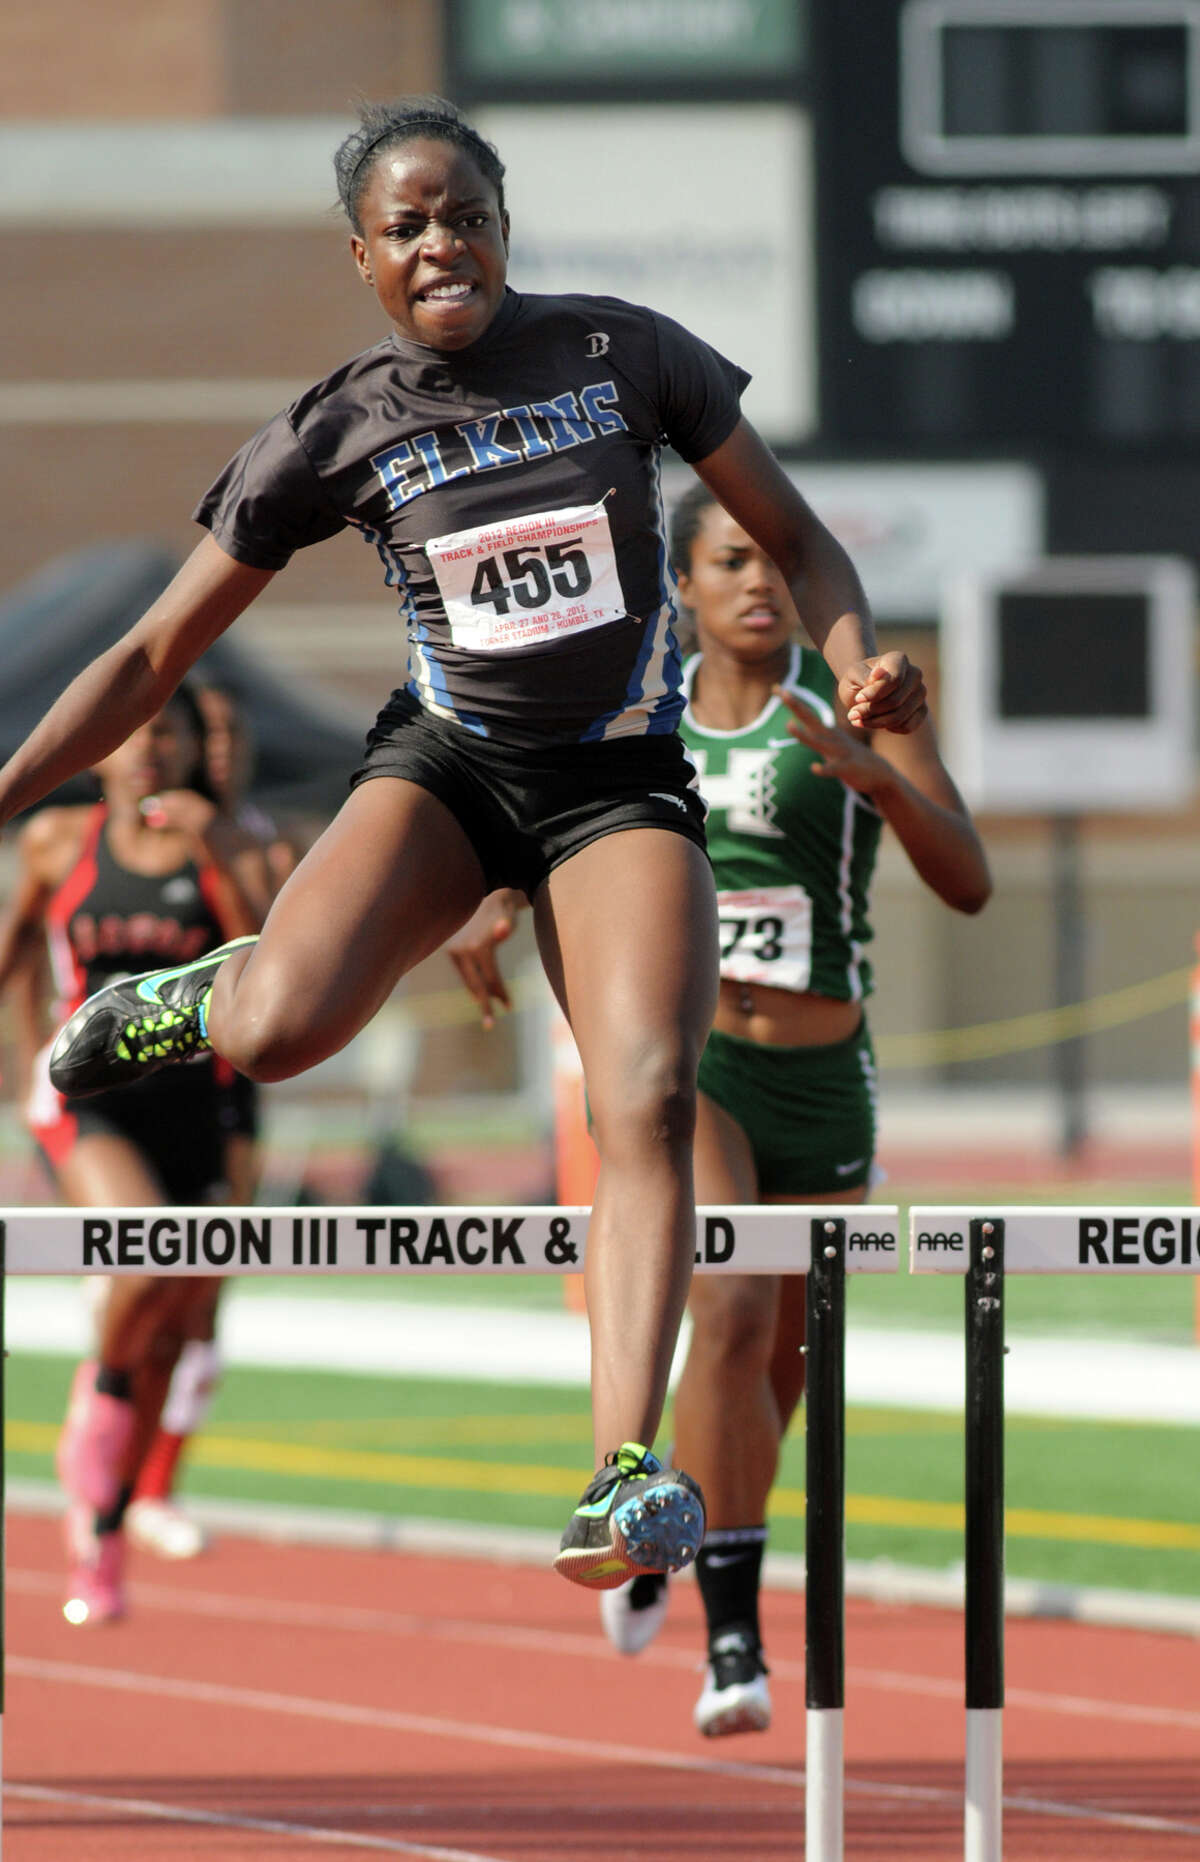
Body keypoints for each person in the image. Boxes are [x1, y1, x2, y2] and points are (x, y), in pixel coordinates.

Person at [1, 96, 926, 1594]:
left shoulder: (626, 355)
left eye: (466, 212)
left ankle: (625, 1470)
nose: (443, 242)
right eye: (408, 225)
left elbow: (807, 544)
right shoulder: (339, 423)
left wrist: (855, 659)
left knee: (645, 1089)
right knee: (281, 1029)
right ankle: (194, 996)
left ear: (505, 220)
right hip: (450, 772)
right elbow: (152, 652)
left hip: (616, 781)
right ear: (362, 253)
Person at [594, 482, 991, 1731]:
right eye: (730, 561)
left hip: (828, 1074)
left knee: (780, 1367)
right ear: (688, 587)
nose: (763, 581)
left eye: (777, 561)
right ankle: (735, 1643)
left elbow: (967, 878)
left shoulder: (860, 701)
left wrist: (878, 775)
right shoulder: (637, 722)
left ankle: (682, 1531)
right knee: (725, 1309)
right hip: (700, 1066)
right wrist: (494, 908)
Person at [0, 687, 267, 1621]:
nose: (149, 749)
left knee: (178, 1318)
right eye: (135, 733)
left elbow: (278, 966)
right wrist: (25, 1047)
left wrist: (225, 844)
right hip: (88, 1103)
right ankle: (100, 1407)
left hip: (200, 1106)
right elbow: (10, 958)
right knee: (145, 1247)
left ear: (197, 748)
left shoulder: (222, 844)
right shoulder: (58, 843)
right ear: (103, 751)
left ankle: (109, 1518)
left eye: (170, 734)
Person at [125, 681, 299, 1560]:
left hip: (234, 1102)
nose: (219, 750)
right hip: (139, 1103)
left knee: (204, 1298)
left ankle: (156, 1484)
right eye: (208, 735)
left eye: (232, 734)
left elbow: (279, 961)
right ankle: (116, 1469)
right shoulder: (133, 835)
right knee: (139, 1285)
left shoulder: (263, 844)